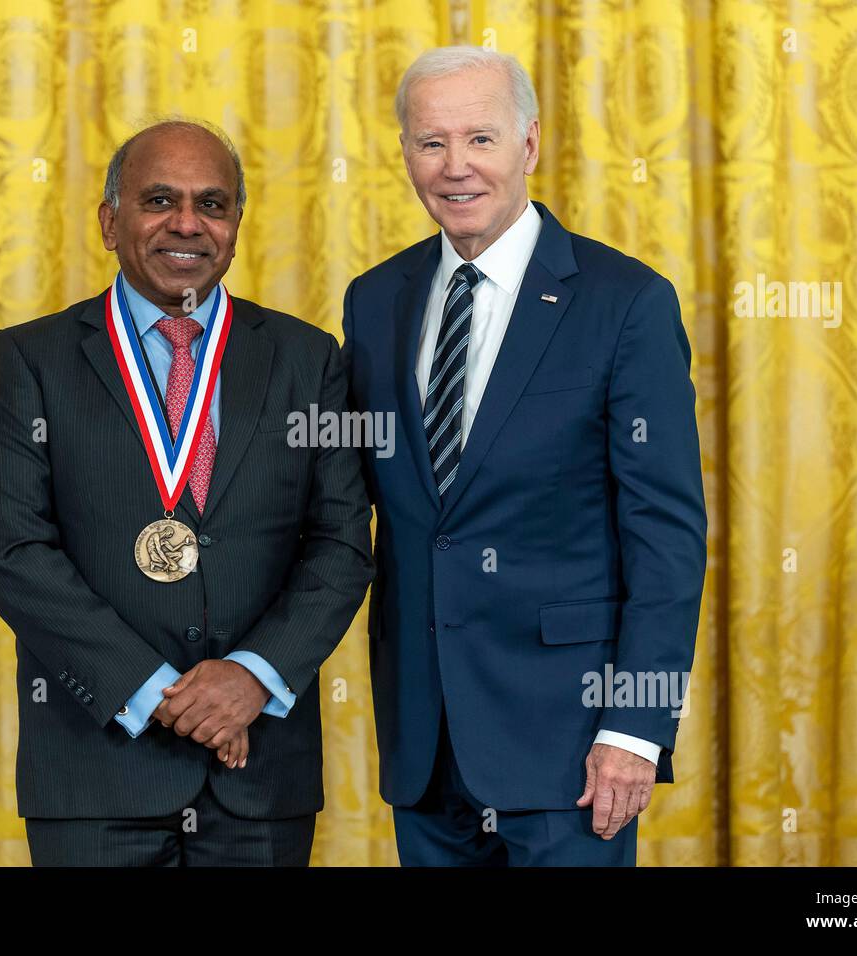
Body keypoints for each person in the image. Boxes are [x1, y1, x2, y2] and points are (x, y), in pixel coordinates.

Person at [0, 119, 373, 866]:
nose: (187, 223)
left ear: (235, 227)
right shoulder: (33, 360)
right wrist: (158, 693)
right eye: (159, 200)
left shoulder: (308, 360)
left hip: (259, 778)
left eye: (212, 204)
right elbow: (14, 551)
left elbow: (341, 545)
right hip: (95, 779)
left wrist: (252, 679)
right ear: (108, 221)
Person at [342, 47, 708, 865]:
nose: (455, 167)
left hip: (573, 750)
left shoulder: (626, 303)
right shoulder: (374, 300)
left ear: (530, 145)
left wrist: (636, 729)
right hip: (425, 742)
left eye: (481, 139)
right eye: (431, 143)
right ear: (404, 154)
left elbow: (667, 539)